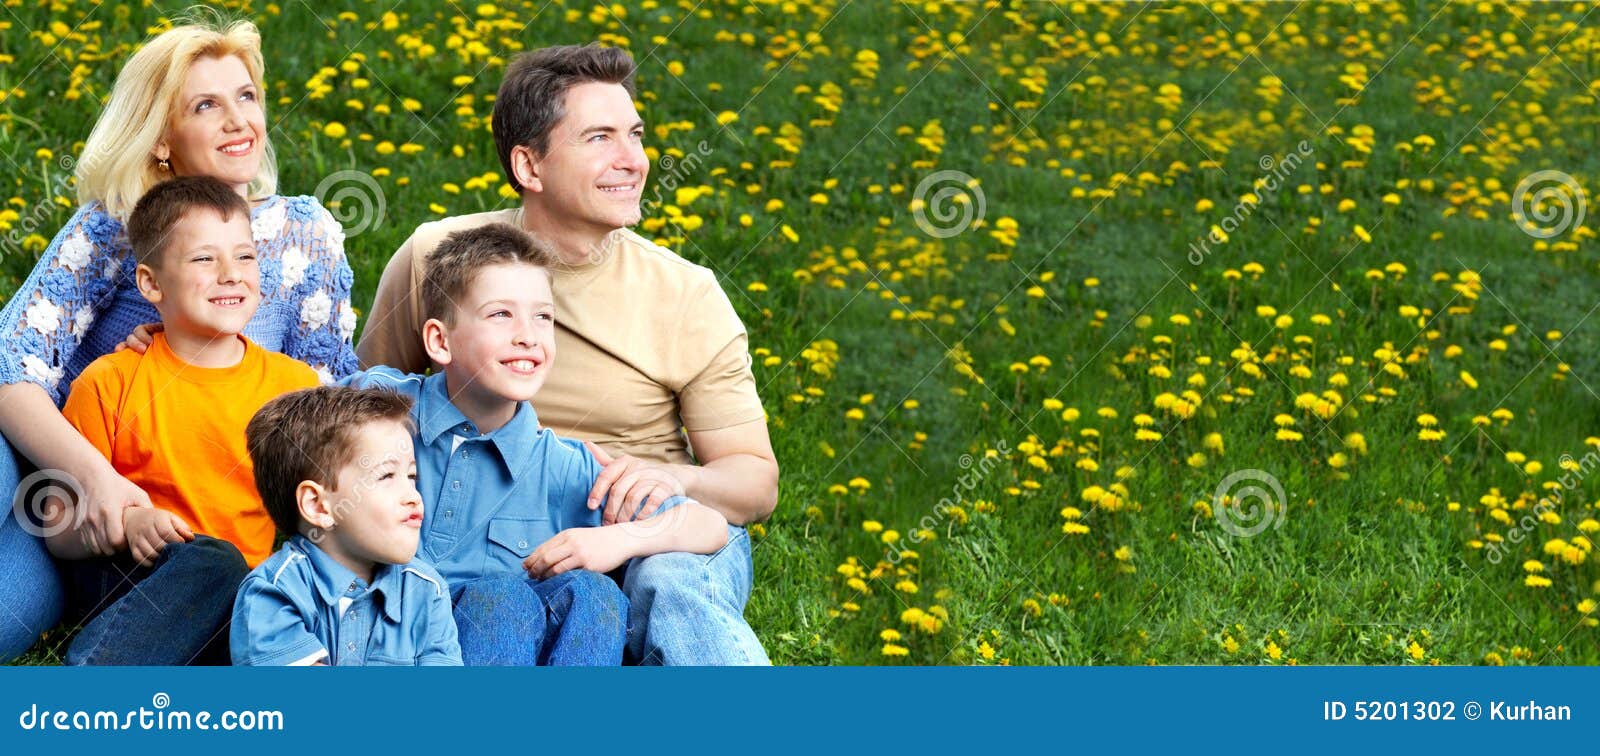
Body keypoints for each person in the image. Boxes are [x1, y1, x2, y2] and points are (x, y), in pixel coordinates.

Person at [358, 43, 777, 665]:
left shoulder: (687, 294)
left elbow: (754, 483)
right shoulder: (440, 257)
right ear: (530, 165)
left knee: (670, 583)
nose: (634, 160)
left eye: (635, 136)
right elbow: (364, 411)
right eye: (600, 138)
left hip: (644, 522)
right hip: (487, 522)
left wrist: (658, 481)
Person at [0, 15, 357, 662]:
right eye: (206, 105)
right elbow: (11, 370)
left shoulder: (306, 234)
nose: (237, 120)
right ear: (164, 137)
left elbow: (324, 396)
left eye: (246, 97)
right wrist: (101, 483)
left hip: (163, 532)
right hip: (64, 468)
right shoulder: (118, 225)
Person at [350, 223, 731, 665]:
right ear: (440, 340)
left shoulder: (563, 466)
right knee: (500, 600)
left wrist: (617, 541)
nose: (528, 335)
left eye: (543, 316)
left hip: (501, 647)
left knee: (592, 593)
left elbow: (709, 525)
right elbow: (294, 421)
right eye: (500, 315)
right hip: (385, 645)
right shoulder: (382, 406)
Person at [38, 176, 320, 665]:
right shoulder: (111, 381)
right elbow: (57, 529)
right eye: (204, 259)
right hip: (131, 578)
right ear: (151, 283)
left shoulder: (293, 388)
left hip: (236, 591)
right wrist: (127, 523)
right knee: (217, 560)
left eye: (245, 256)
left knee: (258, 594)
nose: (231, 273)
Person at [233, 386, 462, 666]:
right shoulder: (274, 591)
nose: (413, 496)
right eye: (386, 475)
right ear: (318, 505)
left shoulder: (427, 591)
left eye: (411, 475)